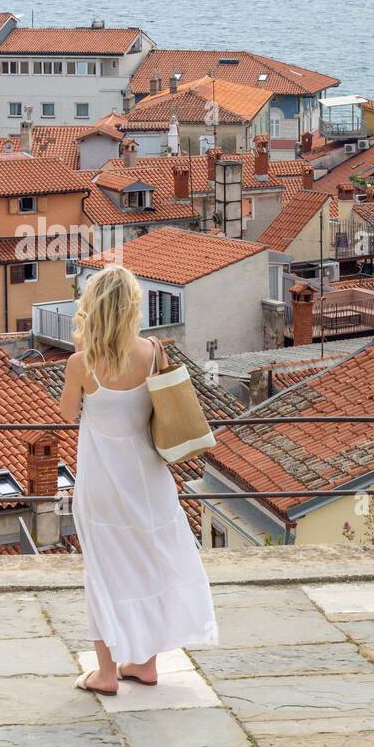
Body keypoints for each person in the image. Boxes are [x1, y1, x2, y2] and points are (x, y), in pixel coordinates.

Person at [59, 265, 218, 695]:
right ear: (132, 308)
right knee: (150, 565)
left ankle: (106, 673)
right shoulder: (152, 352)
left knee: (103, 572)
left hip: (102, 483)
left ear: (91, 308)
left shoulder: (81, 363)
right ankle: (145, 663)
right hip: (148, 480)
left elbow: (67, 414)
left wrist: (82, 353)